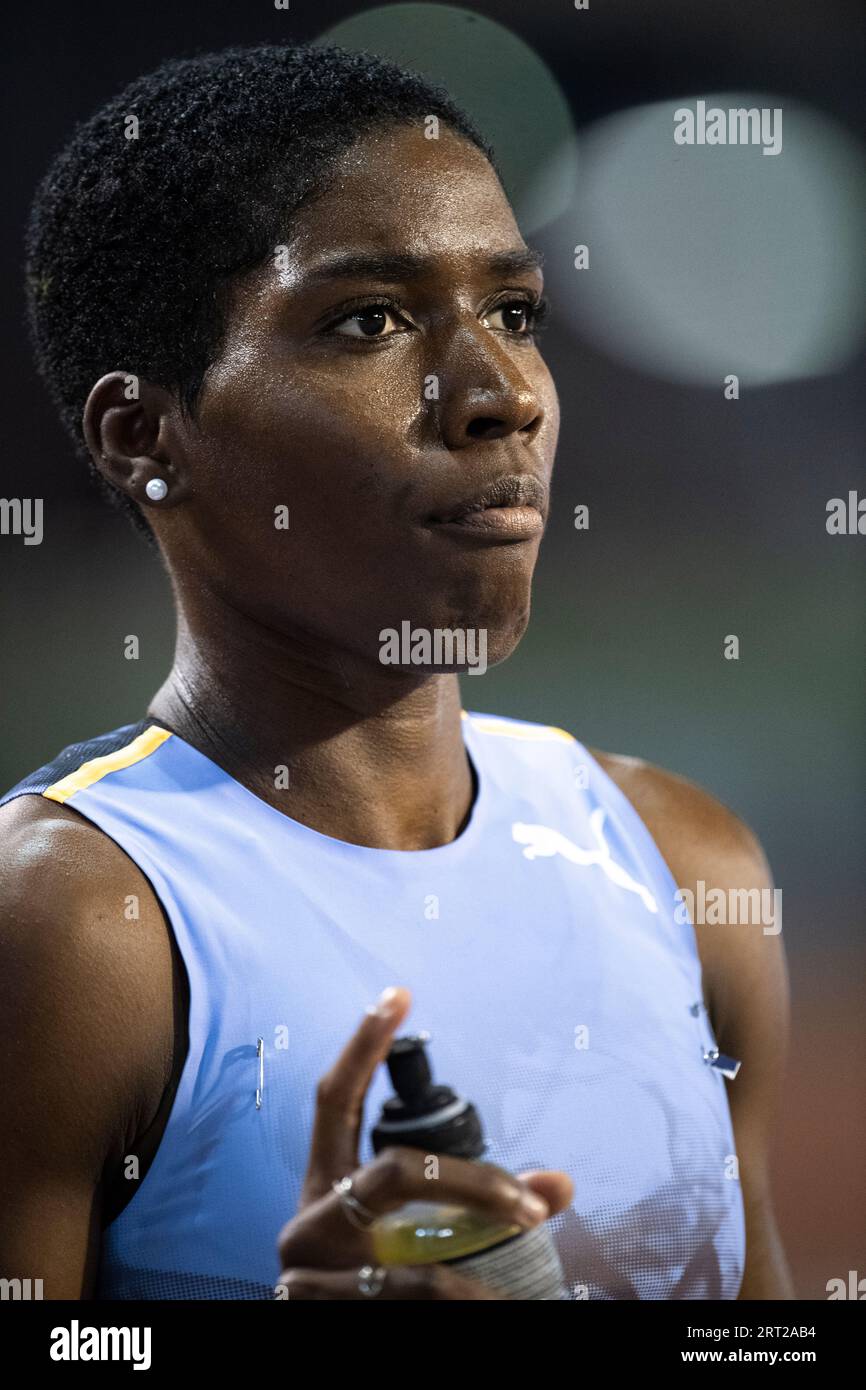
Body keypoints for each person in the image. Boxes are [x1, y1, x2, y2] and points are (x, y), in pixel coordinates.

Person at [0, 42, 793, 1300]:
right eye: (368, 319)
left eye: (513, 313)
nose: (499, 395)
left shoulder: (681, 860)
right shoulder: (73, 927)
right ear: (144, 435)